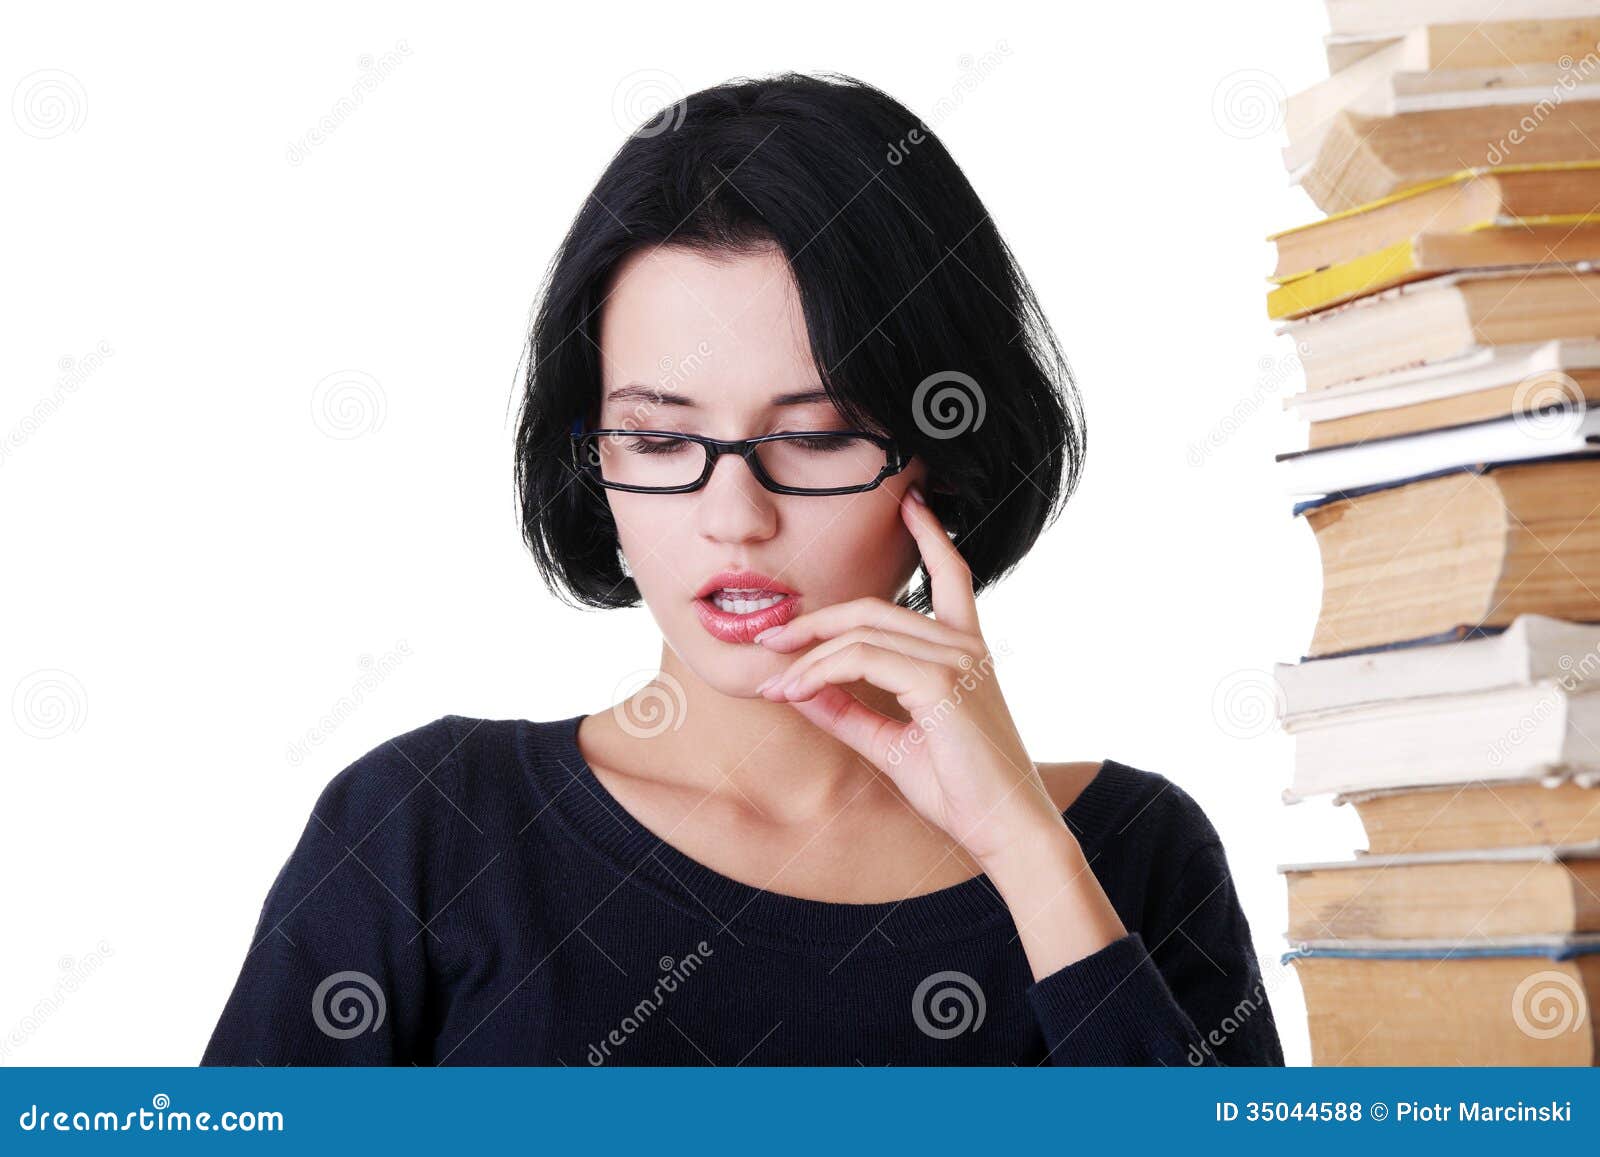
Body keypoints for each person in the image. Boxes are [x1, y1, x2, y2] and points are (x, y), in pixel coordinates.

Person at [201, 71, 1283, 1066]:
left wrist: (1024, 849)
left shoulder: (1133, 853)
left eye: (814, 438)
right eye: (661, 440)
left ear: (939, 459)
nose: (734, 517)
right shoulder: (428, 828)